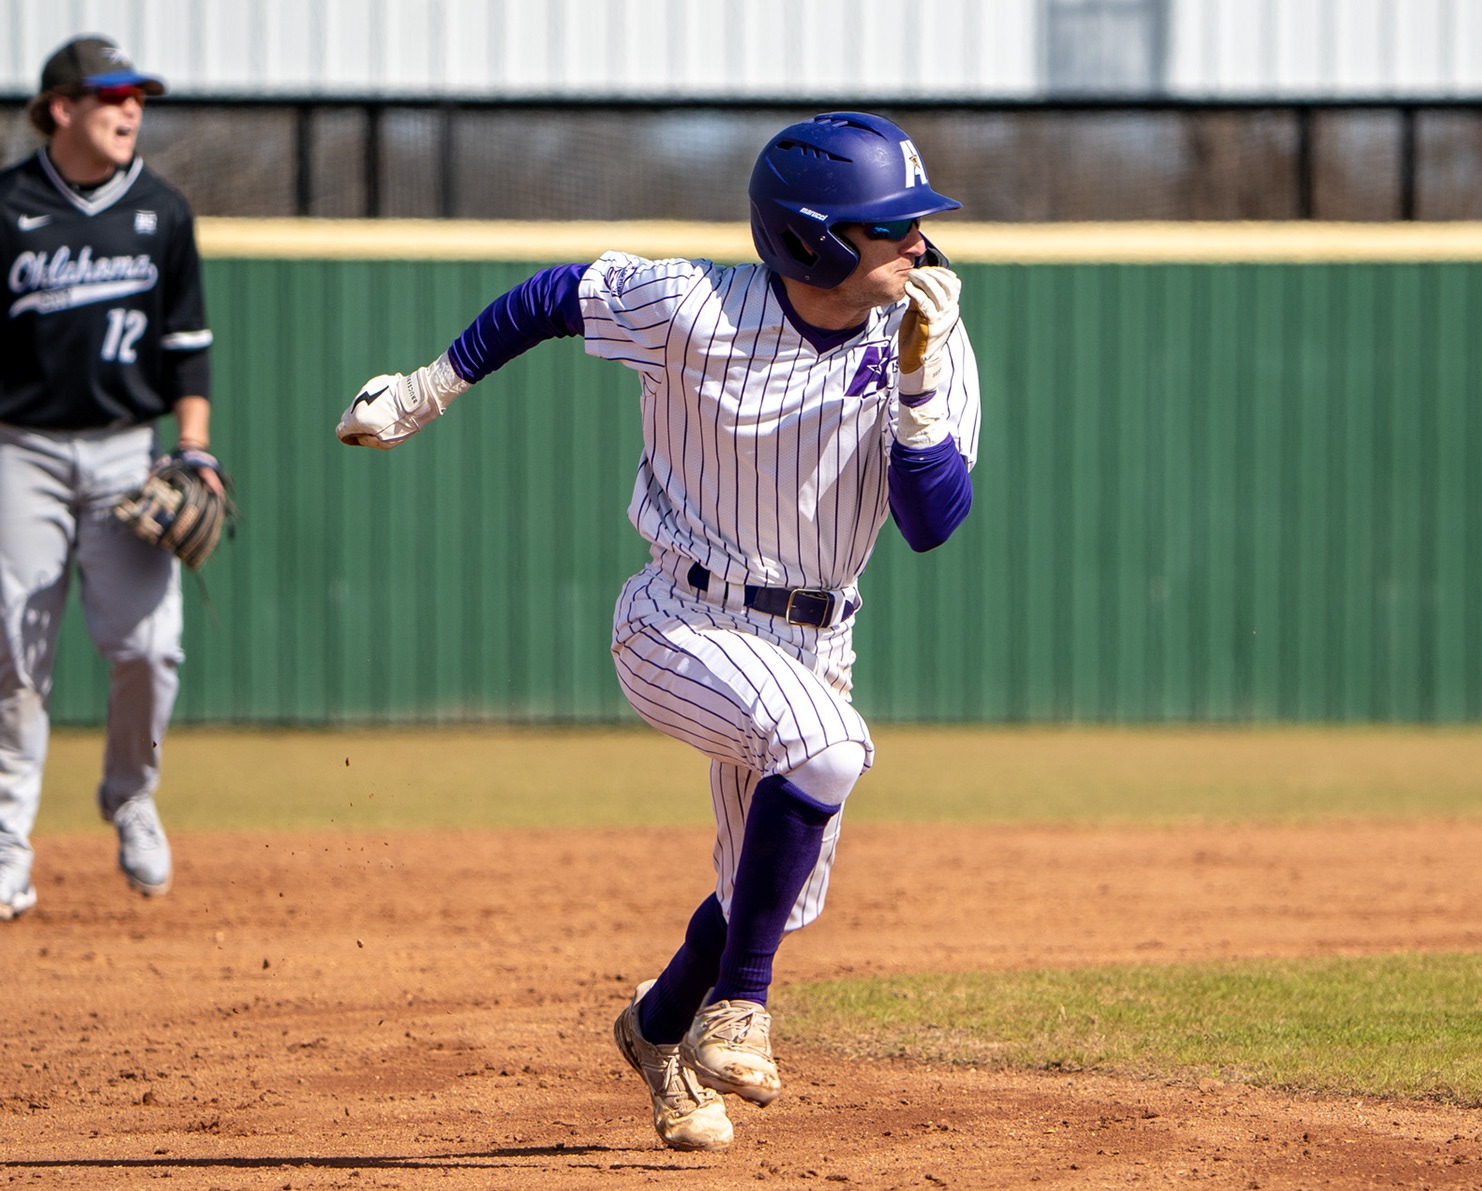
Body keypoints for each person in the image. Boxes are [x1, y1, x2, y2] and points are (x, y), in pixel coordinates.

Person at [336, 111, 980, 1151]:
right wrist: (421, 392)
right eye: (891, 225)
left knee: (770, 889)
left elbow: (932, 522)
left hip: (818, 643)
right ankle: (740, 1011)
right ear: (815, 239)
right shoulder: (693, 304)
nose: (920, 241)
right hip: (679, 618)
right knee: (827, 750)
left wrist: (916, 386)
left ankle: (657, 1028)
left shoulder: (928, 335)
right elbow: (554, 296)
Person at [0, 35, 221, 919]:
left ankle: (130, 794)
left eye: (138, 97)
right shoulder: (8, 206)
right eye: (113, 95)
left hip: (129, 452)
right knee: (15, 654)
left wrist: (193, 448)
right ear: (62, 108)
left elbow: (188, 353)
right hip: (20, 449)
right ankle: (7, 843)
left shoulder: (161, 210)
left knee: (149, 647)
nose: (131, 109)